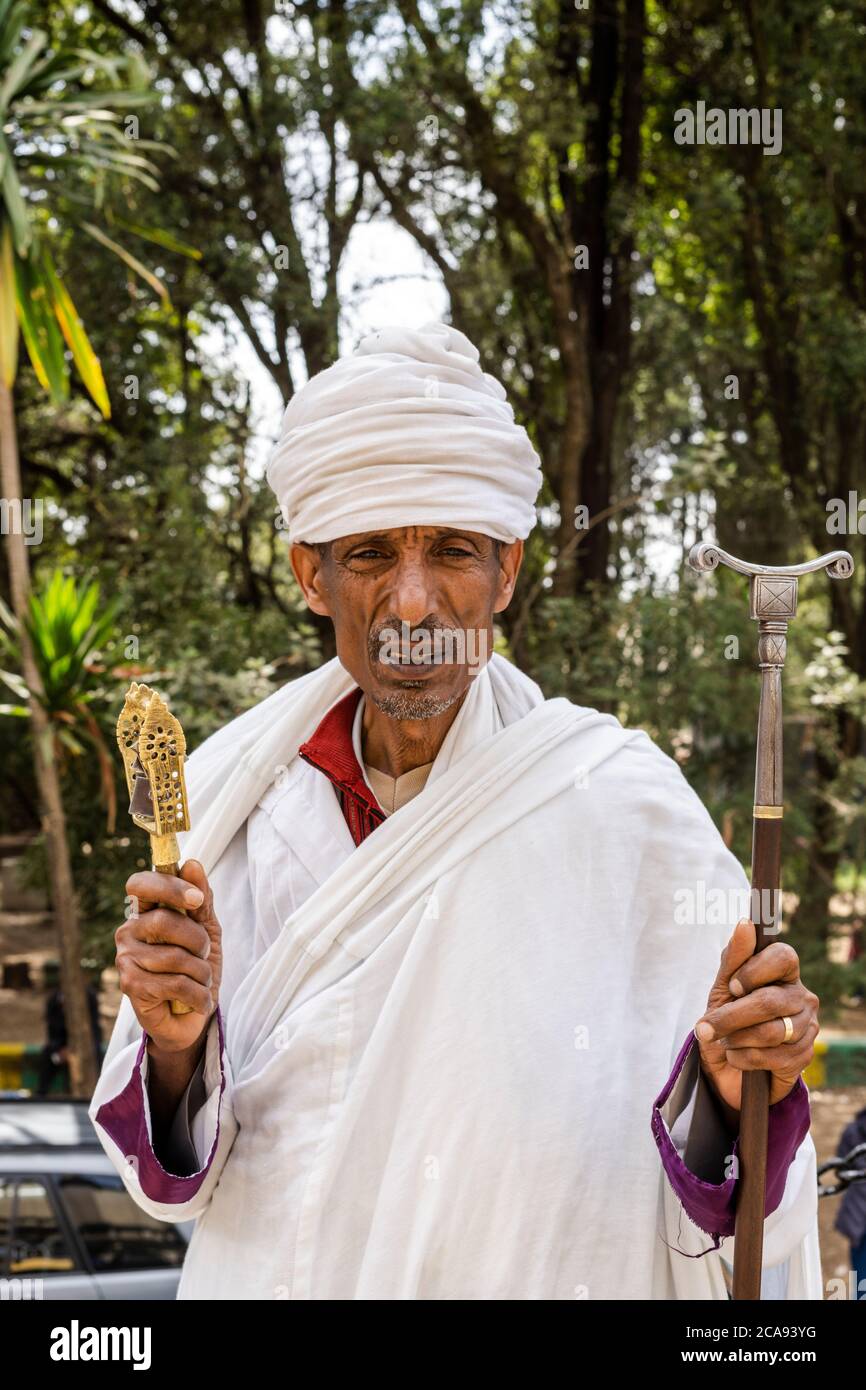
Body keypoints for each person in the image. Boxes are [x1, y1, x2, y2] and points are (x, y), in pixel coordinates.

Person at [89, 321, 822, 1300]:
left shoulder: (624, 806)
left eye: (451, 551)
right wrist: (176, 1046)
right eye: (367, 554)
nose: (412, 602)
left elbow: (733, 1192)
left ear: (506, 572)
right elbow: (177, 1181)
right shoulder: (232, 801)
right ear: (311, 575)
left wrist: (735, 1088)